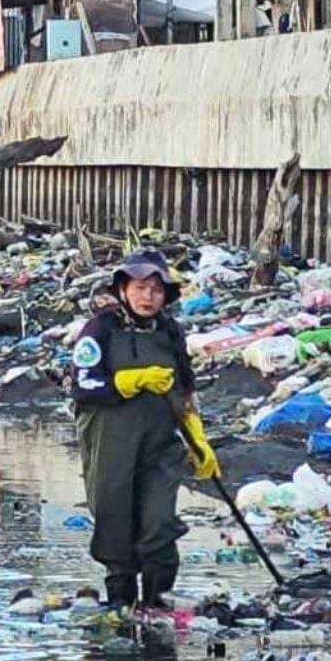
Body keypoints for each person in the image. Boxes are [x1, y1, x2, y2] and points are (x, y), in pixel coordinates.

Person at [70, 251, 219, 610]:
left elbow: (185, 390)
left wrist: (198, 439)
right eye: (140, 288)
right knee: (115, 523)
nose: (148, 297)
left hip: (159, 445)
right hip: (110, 445)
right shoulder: (99, 330)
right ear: (123, 289)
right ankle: (121, 605)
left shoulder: (169, 331)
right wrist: (126, 381)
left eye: (156, 289)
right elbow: (81, 387)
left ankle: (156, 606)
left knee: (159, 524)